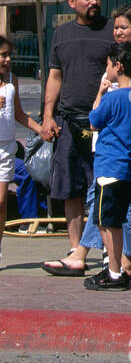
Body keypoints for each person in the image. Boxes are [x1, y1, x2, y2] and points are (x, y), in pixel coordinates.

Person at [41, 0, 115, 274]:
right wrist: (47, 116)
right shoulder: (61, 34)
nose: (94, 2)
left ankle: (108, 251)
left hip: (102, 123)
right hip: (68, 121)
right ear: (72, 2)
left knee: (103, 187)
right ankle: (75, 249)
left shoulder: (112, 31)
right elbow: (54, 77)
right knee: (70, 188)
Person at [84, 43, 131, 291]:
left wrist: (100, 93)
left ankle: (114, 271)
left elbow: (94, 122)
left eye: (109, 63)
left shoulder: (113, 97)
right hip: (130, 164)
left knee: (107, 221)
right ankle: (115, 267)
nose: (107, 68)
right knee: (117, 217)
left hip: (109, 165)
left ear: (118, 66)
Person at [0, 36, 53, 266]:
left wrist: (41, 130)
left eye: (9, 54)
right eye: (3, 55)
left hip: (6, 148)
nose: (7, 59)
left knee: (1, 203)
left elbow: (19, 114)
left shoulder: (12, 80)